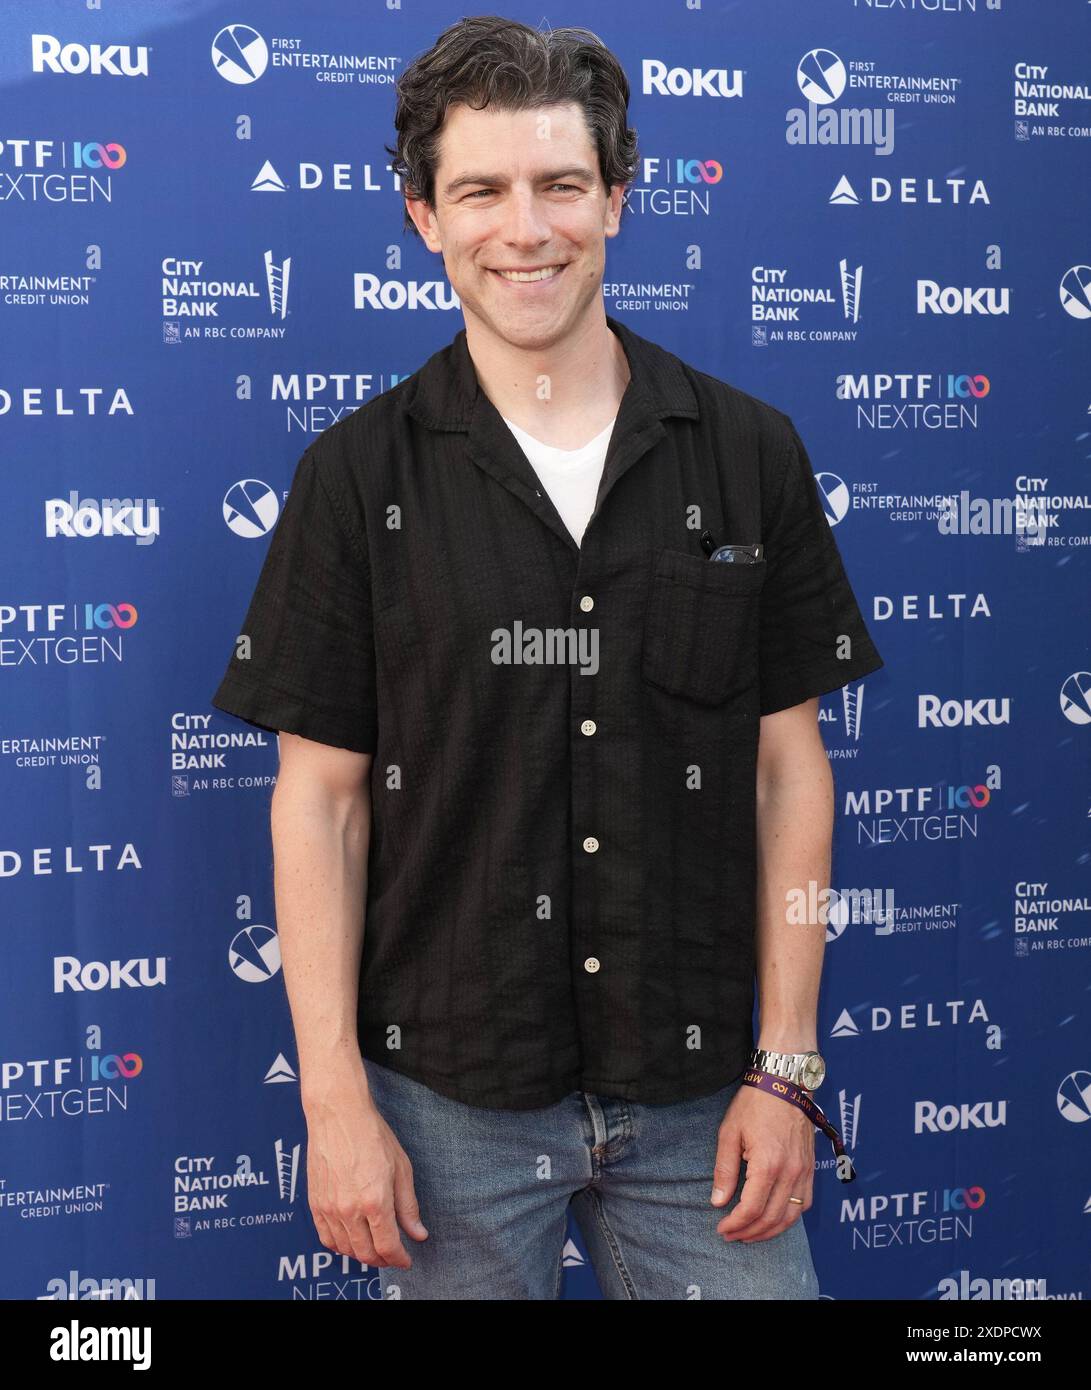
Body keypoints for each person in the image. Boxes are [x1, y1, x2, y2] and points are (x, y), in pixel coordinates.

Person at [211, 15, 884, 1300]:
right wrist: (333, 1102)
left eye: (559, 185)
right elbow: (320, 801)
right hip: (445, 1106)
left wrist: (786, 1063)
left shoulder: (748, 453)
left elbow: (785, 772)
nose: (524, 227)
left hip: (701, 1099)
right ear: (423, 216)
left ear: (615, 199)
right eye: (480, 189)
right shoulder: (353, 480)